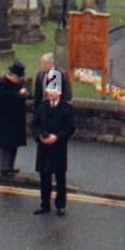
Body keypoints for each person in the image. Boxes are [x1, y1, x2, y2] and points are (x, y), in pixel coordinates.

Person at [32, 81, 76, 216]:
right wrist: (39, 136)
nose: (51, 94)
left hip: (58, 147)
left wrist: (57, 137)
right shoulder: (42, 106)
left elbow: (70, 128)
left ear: (60, 93)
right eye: (49, 91)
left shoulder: (66, 108)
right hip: (44, 147)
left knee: (59, 177)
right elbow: (34, 124)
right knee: (44, 176)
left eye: (54, 91)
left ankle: (60, 205)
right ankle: (45, 204)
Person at [0, 61, 28, 176]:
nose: (20, 81)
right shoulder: (2, 85)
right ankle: (4, 168)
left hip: (16, 120)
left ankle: (10, 166)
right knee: (5, 145)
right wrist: (19, 94)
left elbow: (24, 95)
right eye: (19, 78)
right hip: (5, 120)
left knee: (13, 145)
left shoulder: (18, 85)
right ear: (13, 76)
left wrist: (25, 94)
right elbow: (5, 98)